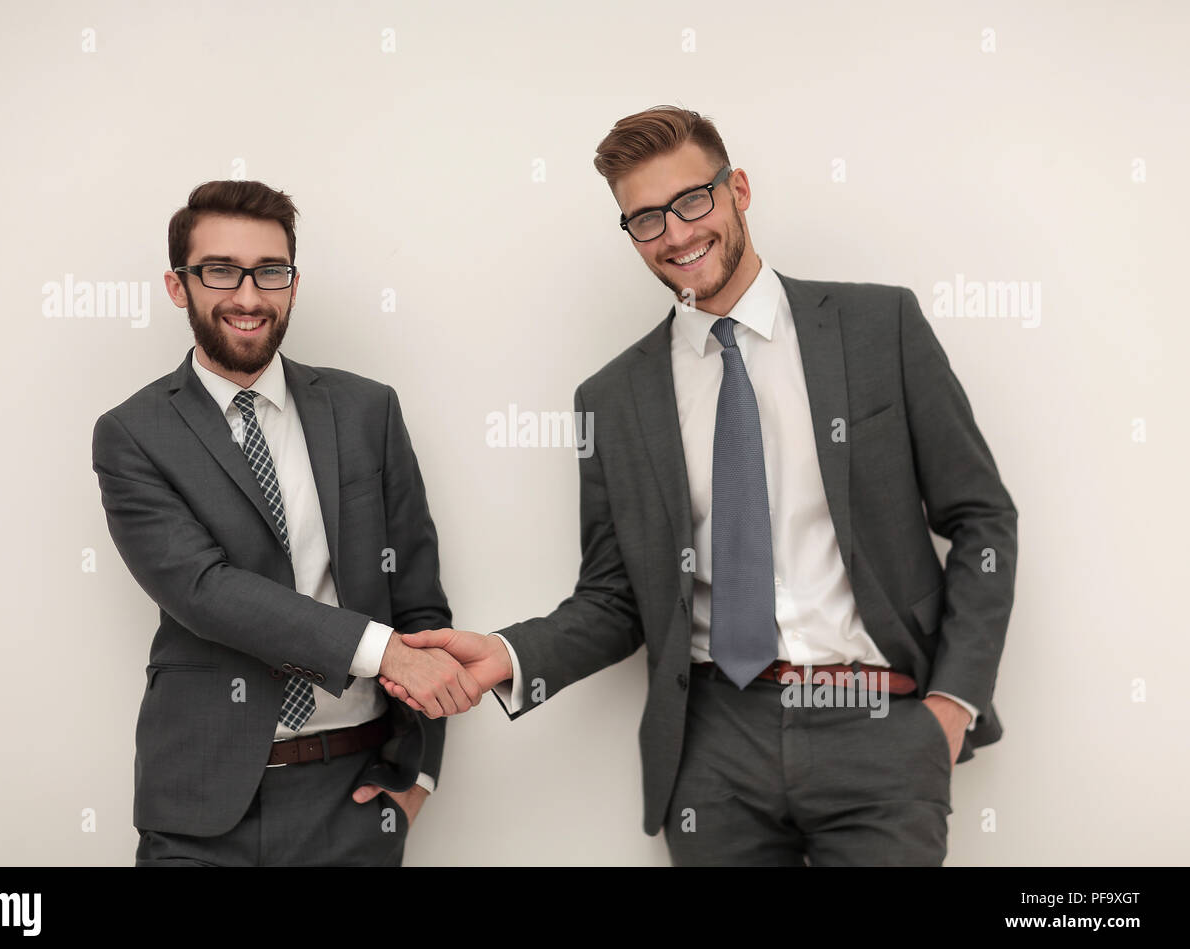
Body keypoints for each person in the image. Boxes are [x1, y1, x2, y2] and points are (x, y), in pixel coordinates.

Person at [383, 106, 1018, 865]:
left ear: (737, 189)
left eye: (692, 200)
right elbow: (616, 597)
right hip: (714, 740)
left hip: (877, 716)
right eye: (646, 219)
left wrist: (950, 704)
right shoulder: (612, 399)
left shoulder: (880, 326)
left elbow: (982, 518)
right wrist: (509, 654)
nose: (677, 234)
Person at [91, 180, 480, 866]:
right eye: (220, 271)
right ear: (179, 286)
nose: (247, 296)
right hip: (202, 807)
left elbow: (418, 598)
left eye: (269, 272)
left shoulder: (367, 411)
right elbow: (206, 590)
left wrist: (418, 777)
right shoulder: (133, 434)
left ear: (293, 285)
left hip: (354, 796)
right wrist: (381, 651)